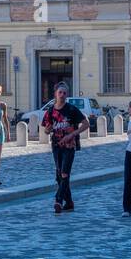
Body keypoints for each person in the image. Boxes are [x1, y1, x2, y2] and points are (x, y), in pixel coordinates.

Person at [41, 83, 89, 213]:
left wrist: (72, 134)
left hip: (69, 145)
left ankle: (58, 200)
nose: (62, 95)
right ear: (55, 94)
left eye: (64, 93)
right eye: (60, 92)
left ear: (67, 95)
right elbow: (46, 130)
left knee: (64, 173)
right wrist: (47, 129)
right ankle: (69, 203)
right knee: (59, 176)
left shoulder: (72, 109)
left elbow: (86, 124)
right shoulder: (50, 111)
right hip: (56, 146)